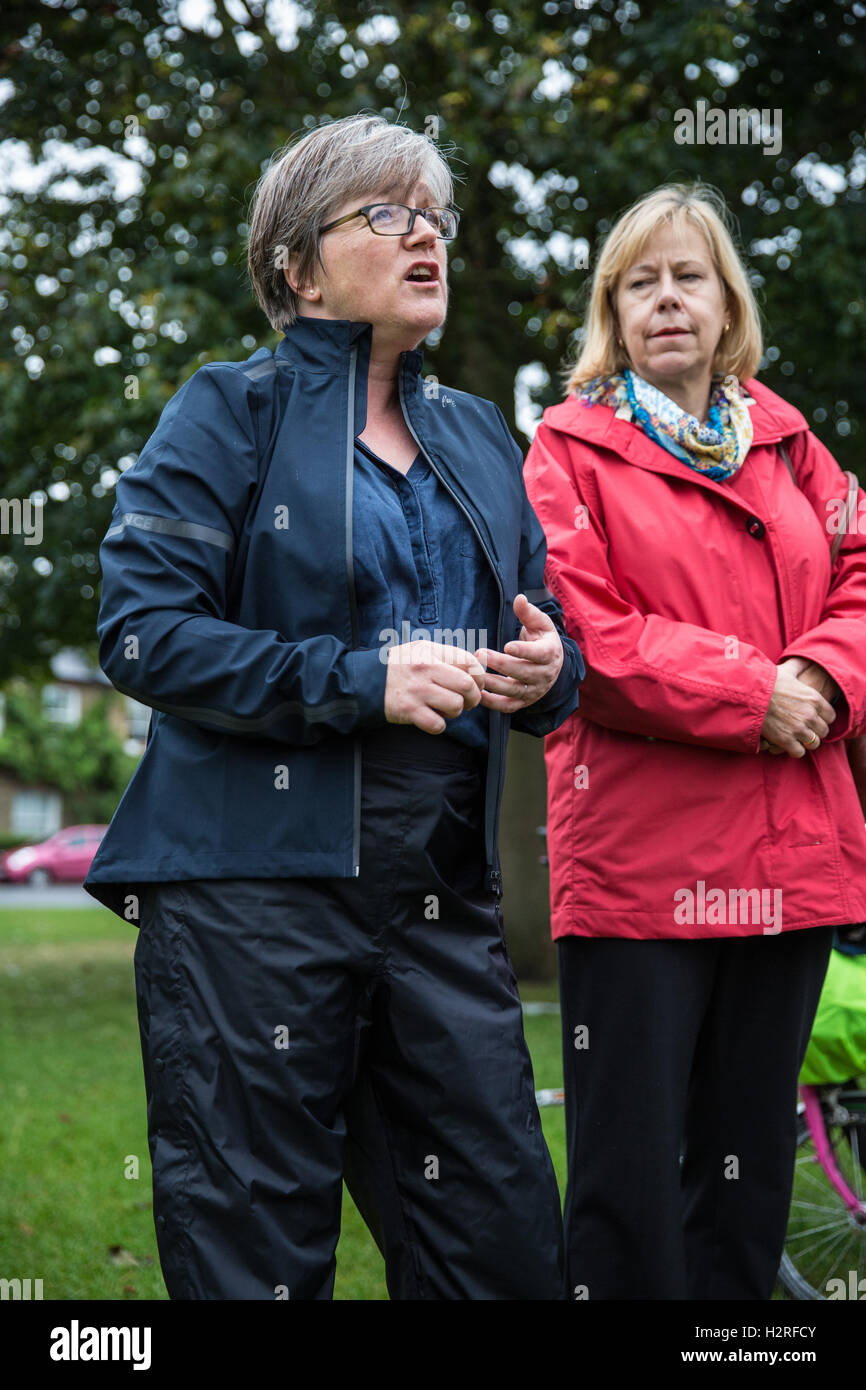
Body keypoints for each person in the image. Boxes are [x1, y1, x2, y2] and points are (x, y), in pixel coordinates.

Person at [83, 113, 585, 1300]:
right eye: (386, 214)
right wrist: (360, 680)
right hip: (250, 893)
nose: (426, 237)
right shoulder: (228, 410)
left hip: (437, 896)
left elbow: (549, 636)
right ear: (297, 269)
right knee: (253, 1251)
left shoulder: (477, 433)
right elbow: (143, 629)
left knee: (502, 1244)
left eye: (436, 216)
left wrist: (545, 672)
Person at [523, 182, 866, 1300]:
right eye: (640, 284)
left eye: (688, 277)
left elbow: (861, 572)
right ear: (611, 315)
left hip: (790, 857)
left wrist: (821, 675)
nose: (666, 299)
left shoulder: (791, 444)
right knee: (626, 1181)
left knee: (747, 1172)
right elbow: (583, 627)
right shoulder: (564, 452)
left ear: (727, 306)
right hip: (640, 867)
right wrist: (753, 691)